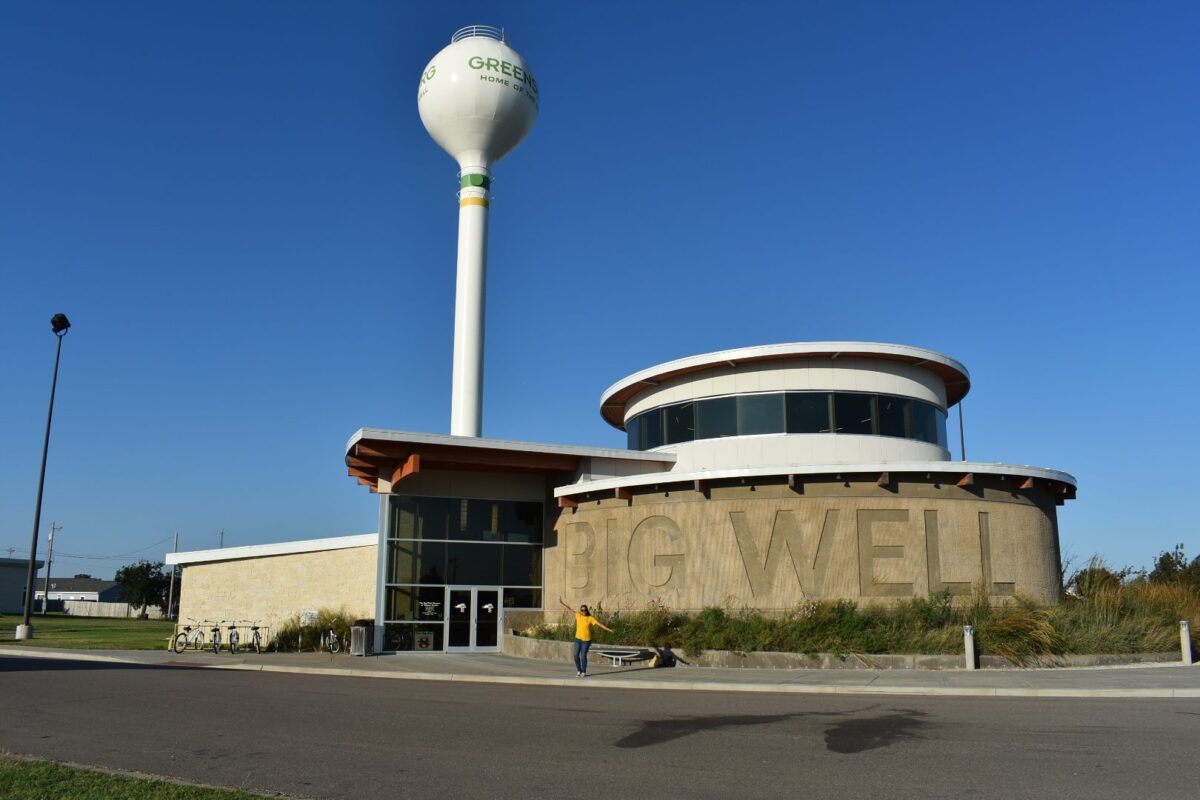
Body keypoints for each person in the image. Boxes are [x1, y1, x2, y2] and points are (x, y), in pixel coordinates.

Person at [559, 596, 612, 677]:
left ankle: (584, 671)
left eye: (585, 610)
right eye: (582, 610)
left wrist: (609, 630)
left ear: (587, 610)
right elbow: (569, 609)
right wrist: (562, 603)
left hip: (586, 641)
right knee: (576, 655)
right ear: (581, 611)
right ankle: (579, 671)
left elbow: (599, 624)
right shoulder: (578, 615)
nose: (583, 611)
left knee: (583, 656)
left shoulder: (590, 618)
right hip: (578, 639)